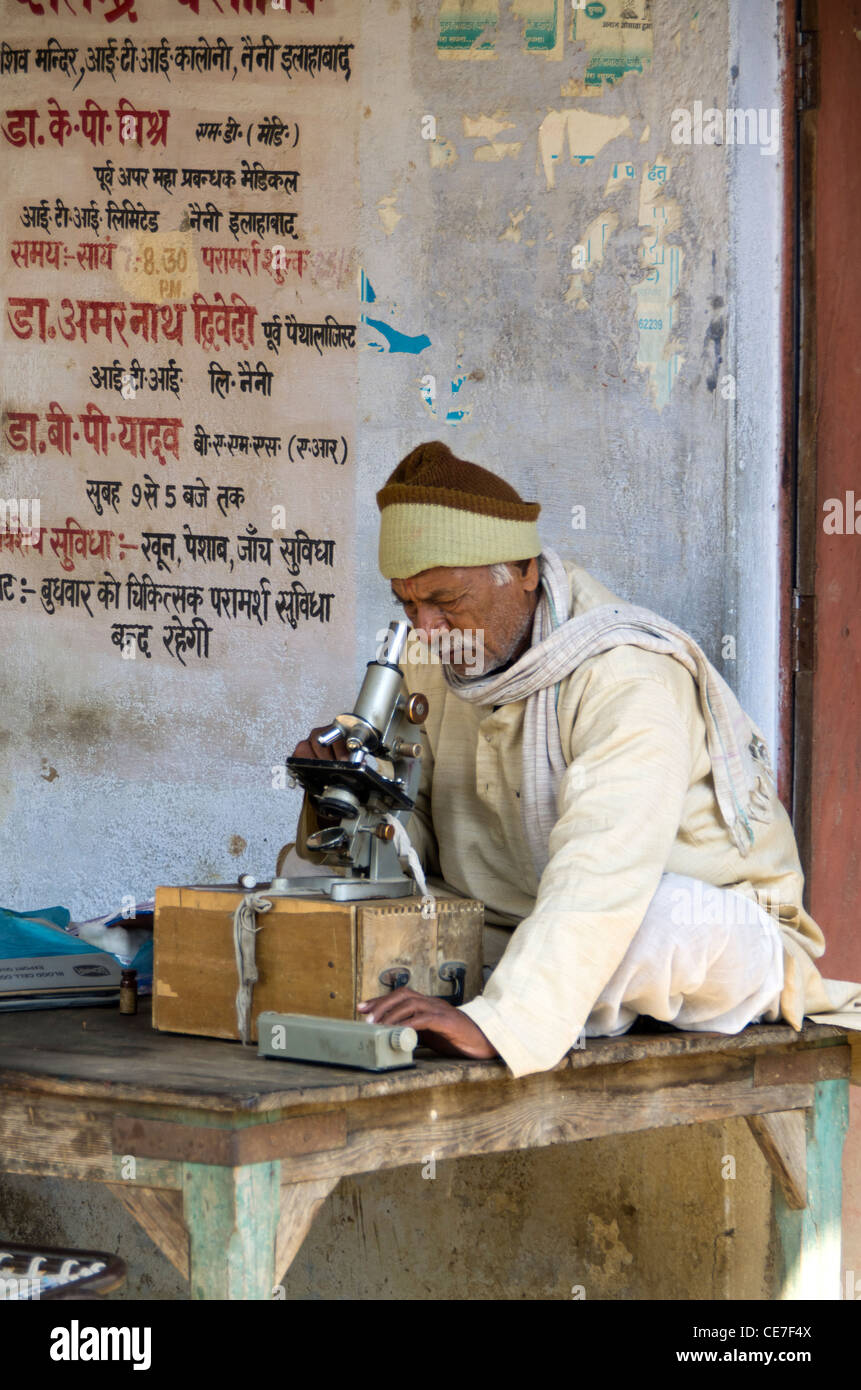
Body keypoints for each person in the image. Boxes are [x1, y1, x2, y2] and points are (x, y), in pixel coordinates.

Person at [289, 441, 861, 1078]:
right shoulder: (435, 660)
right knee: (308, 881)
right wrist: (347, 802)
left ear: (525, 569)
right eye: (407, 604)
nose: (426, 628)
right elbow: (413, 845)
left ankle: (526, 1012)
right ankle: (537, 997)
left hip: (710, 926)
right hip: (522, 923)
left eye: (446, 602)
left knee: (655, 921)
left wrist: (495, 1022)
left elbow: (603, 872)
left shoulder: (624, 676)